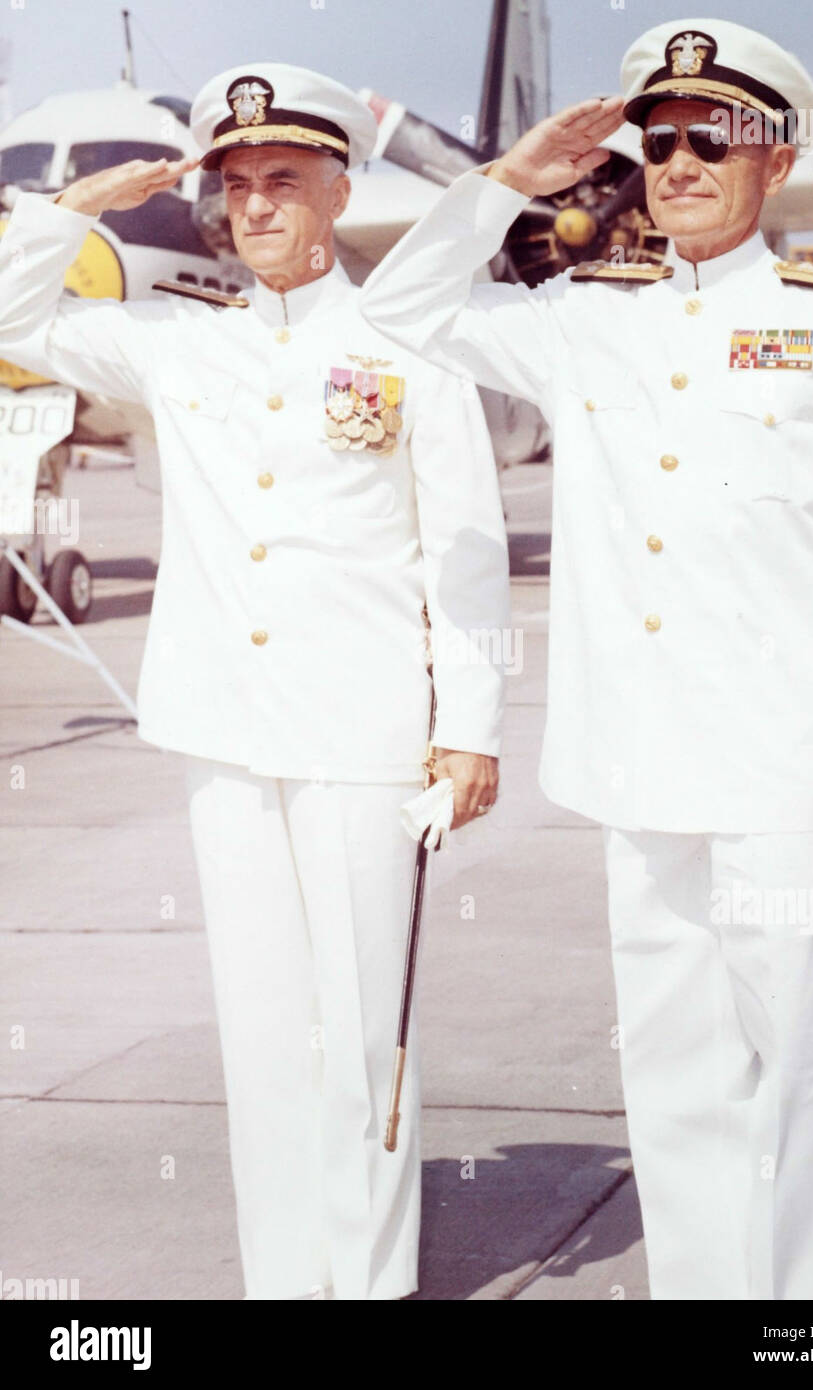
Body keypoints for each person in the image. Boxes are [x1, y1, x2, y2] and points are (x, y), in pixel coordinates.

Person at [360, 18, 813, 1299]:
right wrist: (509, 180)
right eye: (657, 139)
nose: (676, 161)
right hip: (635, 767)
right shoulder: (583, 317)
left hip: (786, 778)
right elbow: (399, 306)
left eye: (710, 140)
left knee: (791, 1074)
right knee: (673, 1077)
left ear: (772, 161)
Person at [0, 63, 510, 1301]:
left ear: (338, 190)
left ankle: (370, 1283)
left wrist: (470, 726)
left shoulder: (407, 343)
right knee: (264, 1032)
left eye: (284, 178)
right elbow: (12, 322)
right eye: (236, 185)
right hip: (224, 733)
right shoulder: (182, 345)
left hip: (364, 737)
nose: (258, 205)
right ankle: (286, 1282)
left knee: (364, 1028)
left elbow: (464, 548)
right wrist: (75, 209)